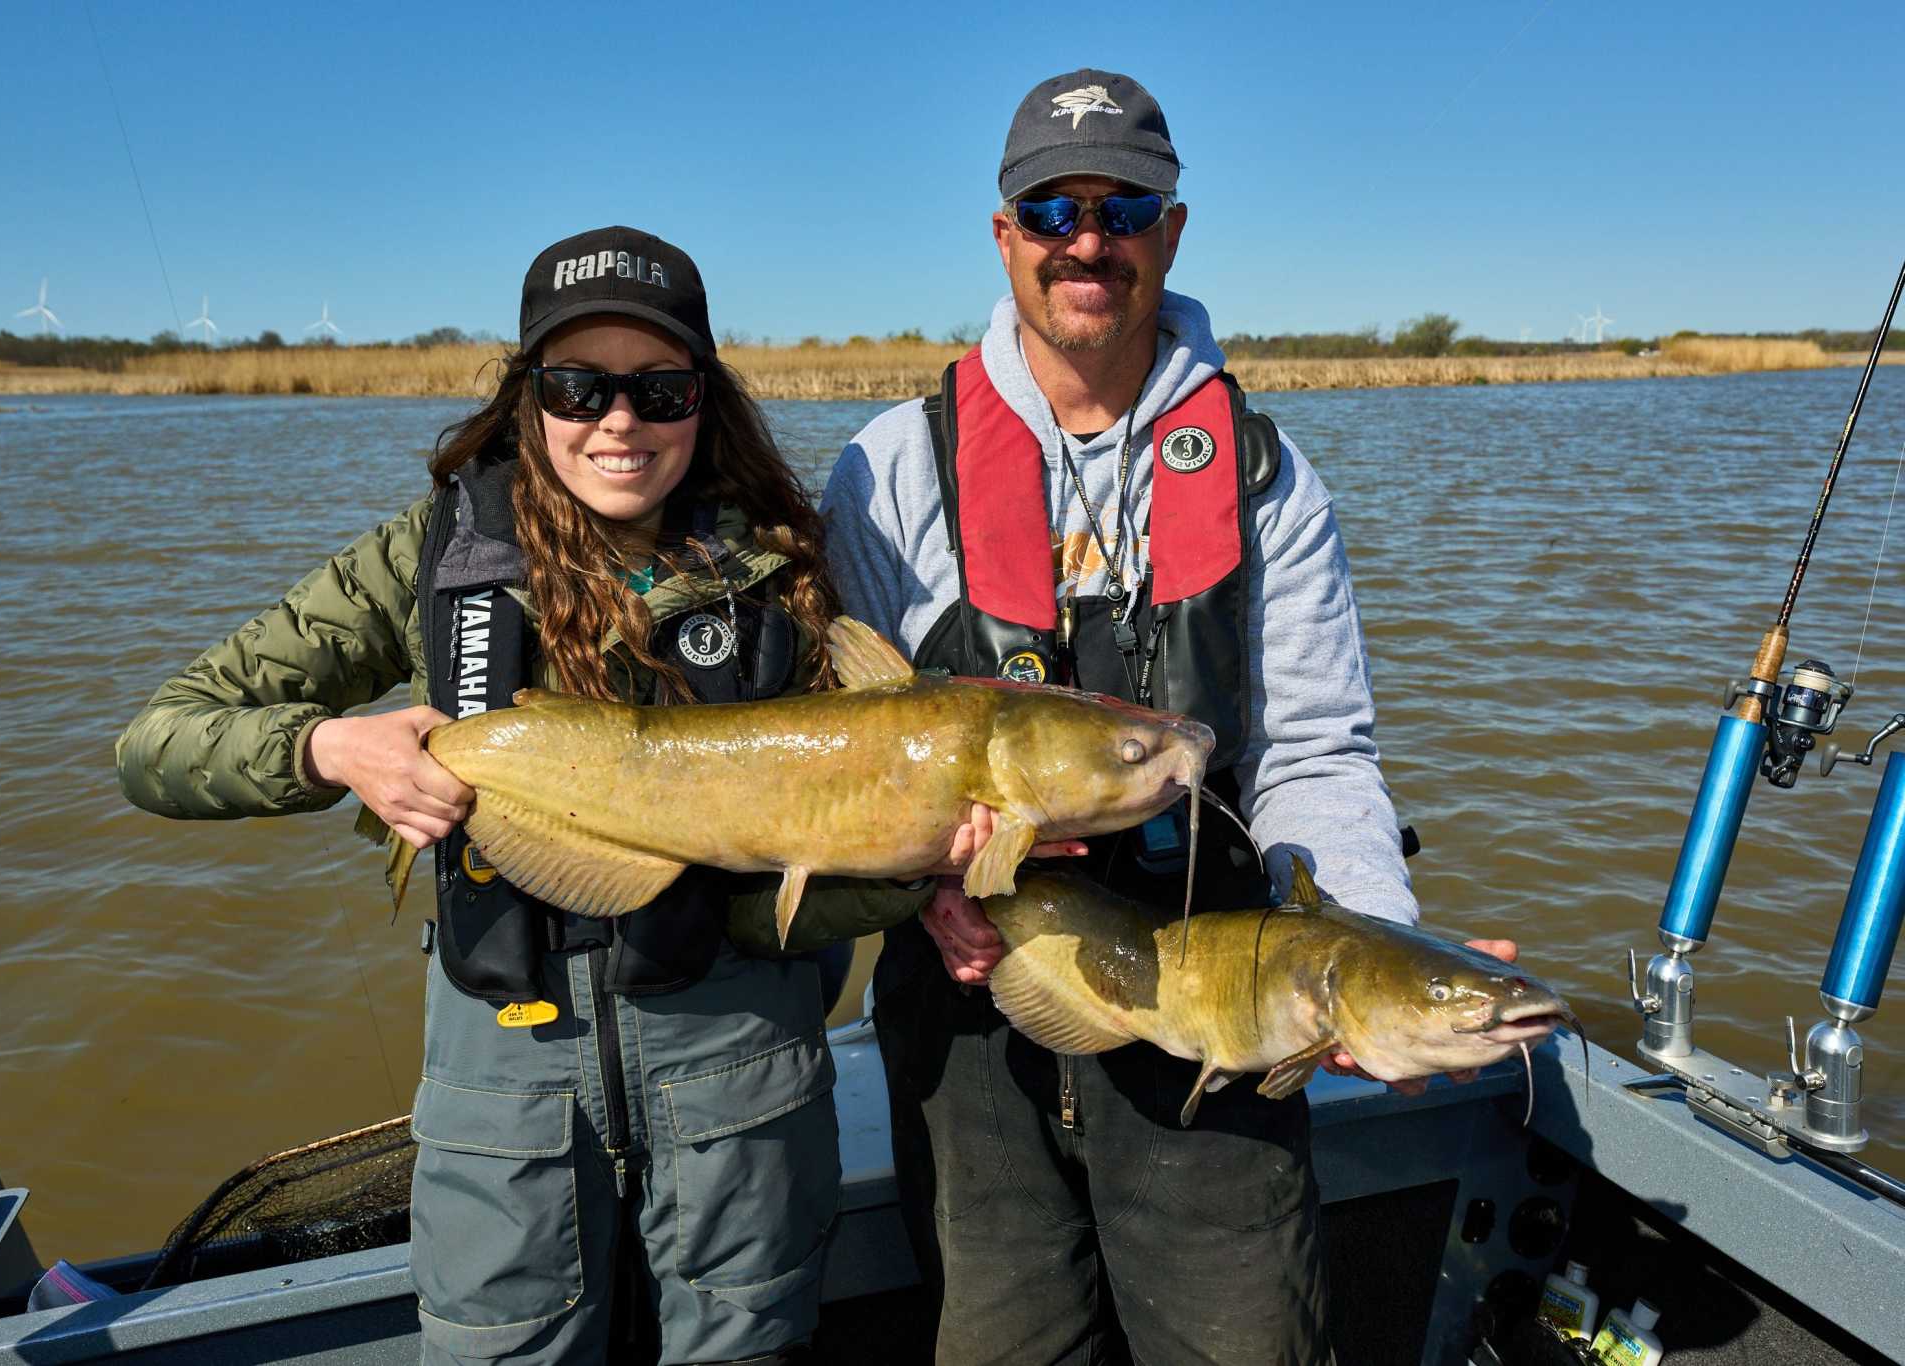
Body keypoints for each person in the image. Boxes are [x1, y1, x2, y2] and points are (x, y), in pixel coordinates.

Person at [116, 226, 924, 1366]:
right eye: (576, 385)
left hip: (741, 1076)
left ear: (707, 396)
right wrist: (331, 748)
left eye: (659, 388)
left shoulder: (787, 570)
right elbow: (159, 739)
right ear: (525, 395)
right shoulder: (423, 557)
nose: (618, 422)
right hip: (502, 1096)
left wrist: (904, 871)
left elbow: (804, 886)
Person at [820, 71, 1517, 1365]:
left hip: (1223, 1005)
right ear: (1005, 233)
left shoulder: (1269, 477)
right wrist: (919, 883)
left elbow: (1315, 748)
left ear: (1173, 230)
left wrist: (1371, 939)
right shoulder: (887, 471)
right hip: (976, 1023)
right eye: (1052, 208)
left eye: (1124, 205)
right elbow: (848, 755)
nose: (1088, 239)